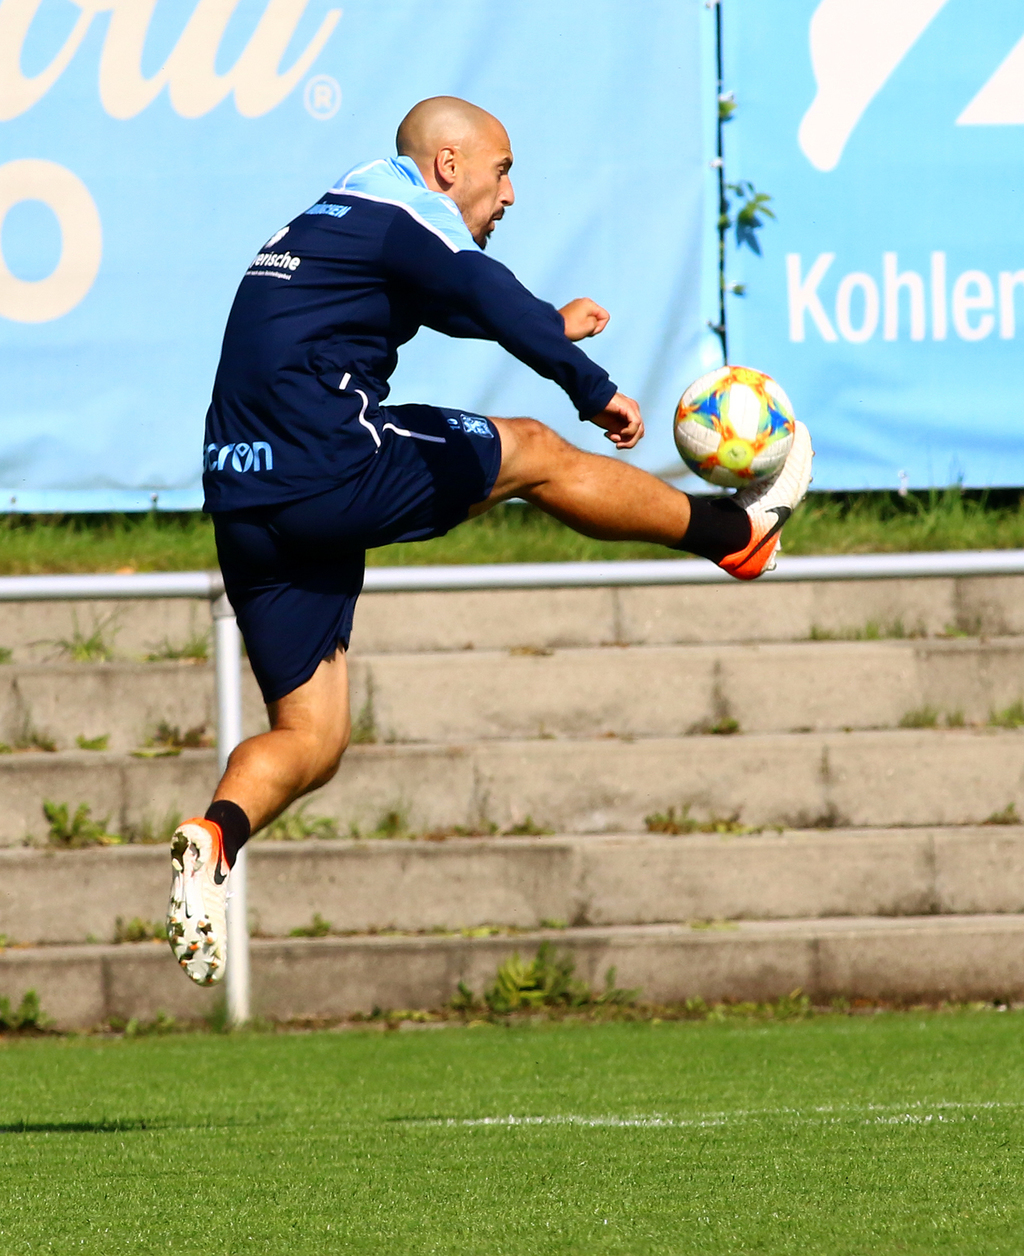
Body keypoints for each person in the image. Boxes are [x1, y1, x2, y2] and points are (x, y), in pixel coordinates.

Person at [167, 96, 813, 986]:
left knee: (313, 736)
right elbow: (471, 287)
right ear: (448, 166)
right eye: (502, 170)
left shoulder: (352, 209)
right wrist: (587, 383)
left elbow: (449, 294)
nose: (510, 194)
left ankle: (213, 839)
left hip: (243, 495)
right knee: (539, 452)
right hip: (328, 466)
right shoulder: (403, 213)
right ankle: (735, 532)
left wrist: (545, 320)